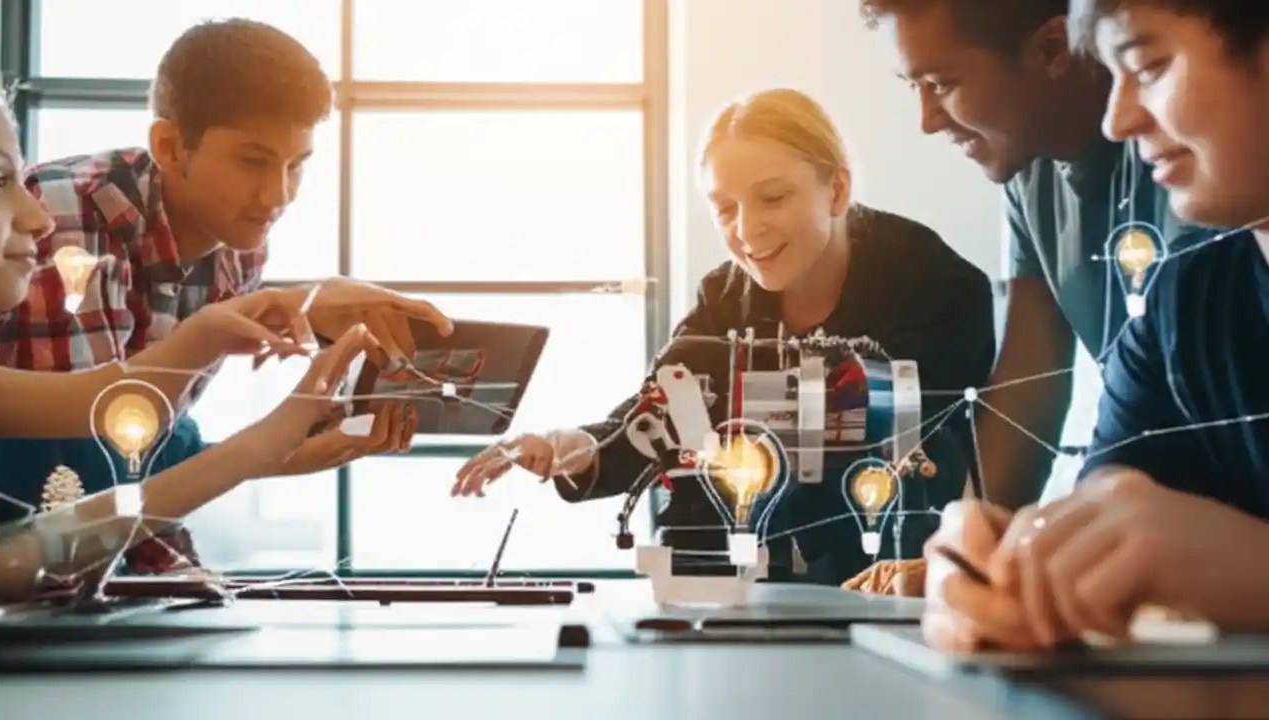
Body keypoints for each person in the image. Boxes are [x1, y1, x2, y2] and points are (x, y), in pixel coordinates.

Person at [453, 89, 995, 586]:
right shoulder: (725, 294)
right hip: (755, 579)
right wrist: (578, 447)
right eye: (724, 208)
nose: (746, 229)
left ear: (838, 189)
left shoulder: (936, 286)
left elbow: (918, 444)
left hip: (898, 577)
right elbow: (665, 401)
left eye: (773, 197)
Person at [0, 19, 427, 564]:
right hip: (30, 550)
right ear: (170, 146)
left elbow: (146, 450)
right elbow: (89, 452)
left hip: (50, 553)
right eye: (253, 161)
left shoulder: (238, 246)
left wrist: (289, 448)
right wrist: (262, 437)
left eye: (297, 166)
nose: (278, 195)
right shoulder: (66, 214)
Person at [922, 0, 1269, 651]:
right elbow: (1103, 549)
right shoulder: (1180, 309)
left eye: (1151, 66)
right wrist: (997, 576)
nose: (1118, 119)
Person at [860, 0, 1198, 513]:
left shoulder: (1194, 164)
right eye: (914, 87)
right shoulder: (1026, 174)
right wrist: (966, 542)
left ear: (1051, 49)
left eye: (942, 84)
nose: (927, 121)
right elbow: (1029, 387)